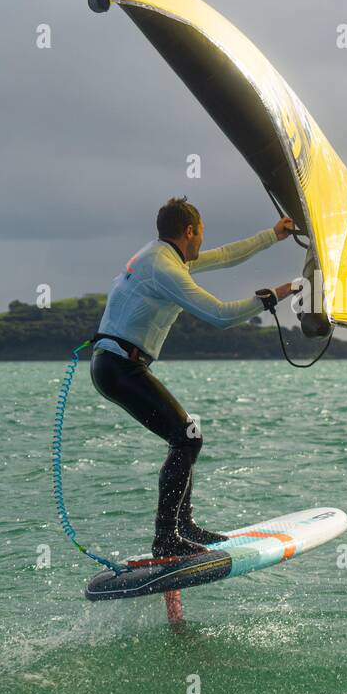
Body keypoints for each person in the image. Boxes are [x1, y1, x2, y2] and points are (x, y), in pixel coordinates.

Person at [91, 196, 296, 557]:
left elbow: (226, 255)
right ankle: (166, 536)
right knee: (187, 437)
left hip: (117, 364)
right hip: (118, 366)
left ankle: (181, 526)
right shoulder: (164, 268)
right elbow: (219, 316)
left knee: (185, 435)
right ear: (189, 231)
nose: (202, 242)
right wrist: (277, 294)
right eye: (200, 234)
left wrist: (273, 236)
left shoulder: (161, 256)